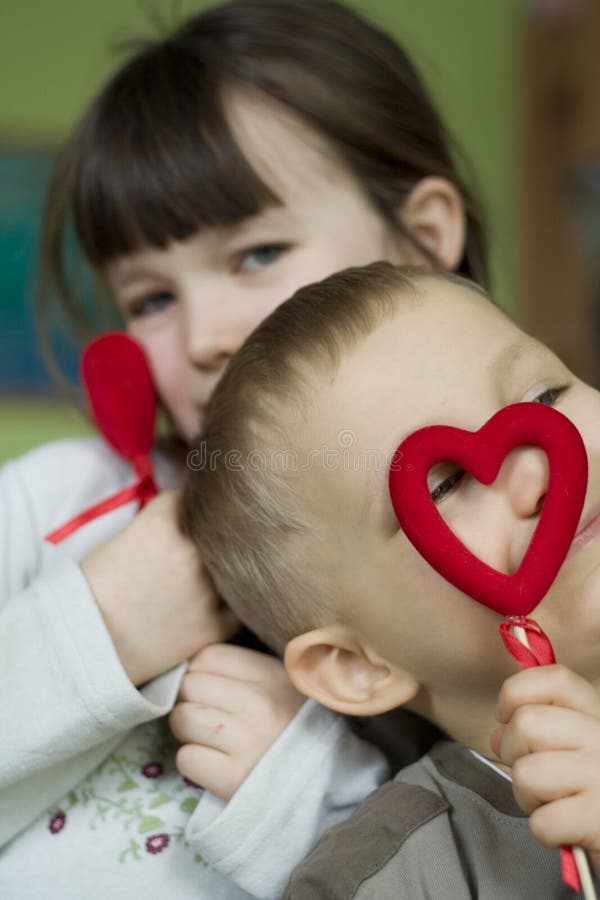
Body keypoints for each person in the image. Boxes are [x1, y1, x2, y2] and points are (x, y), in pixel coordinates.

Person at [1, 0, 487, 896]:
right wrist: (99, 627)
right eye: (151, 299)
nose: (202, 338)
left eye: (257, 253)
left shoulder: (509, 536)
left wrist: (317, 795)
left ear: (425, 234)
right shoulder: (53, 506)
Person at [181, 262, 600, 898]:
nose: (540, 470)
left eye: (545, 397)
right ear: (356, 665)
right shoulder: (395, 878)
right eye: (445, 485)